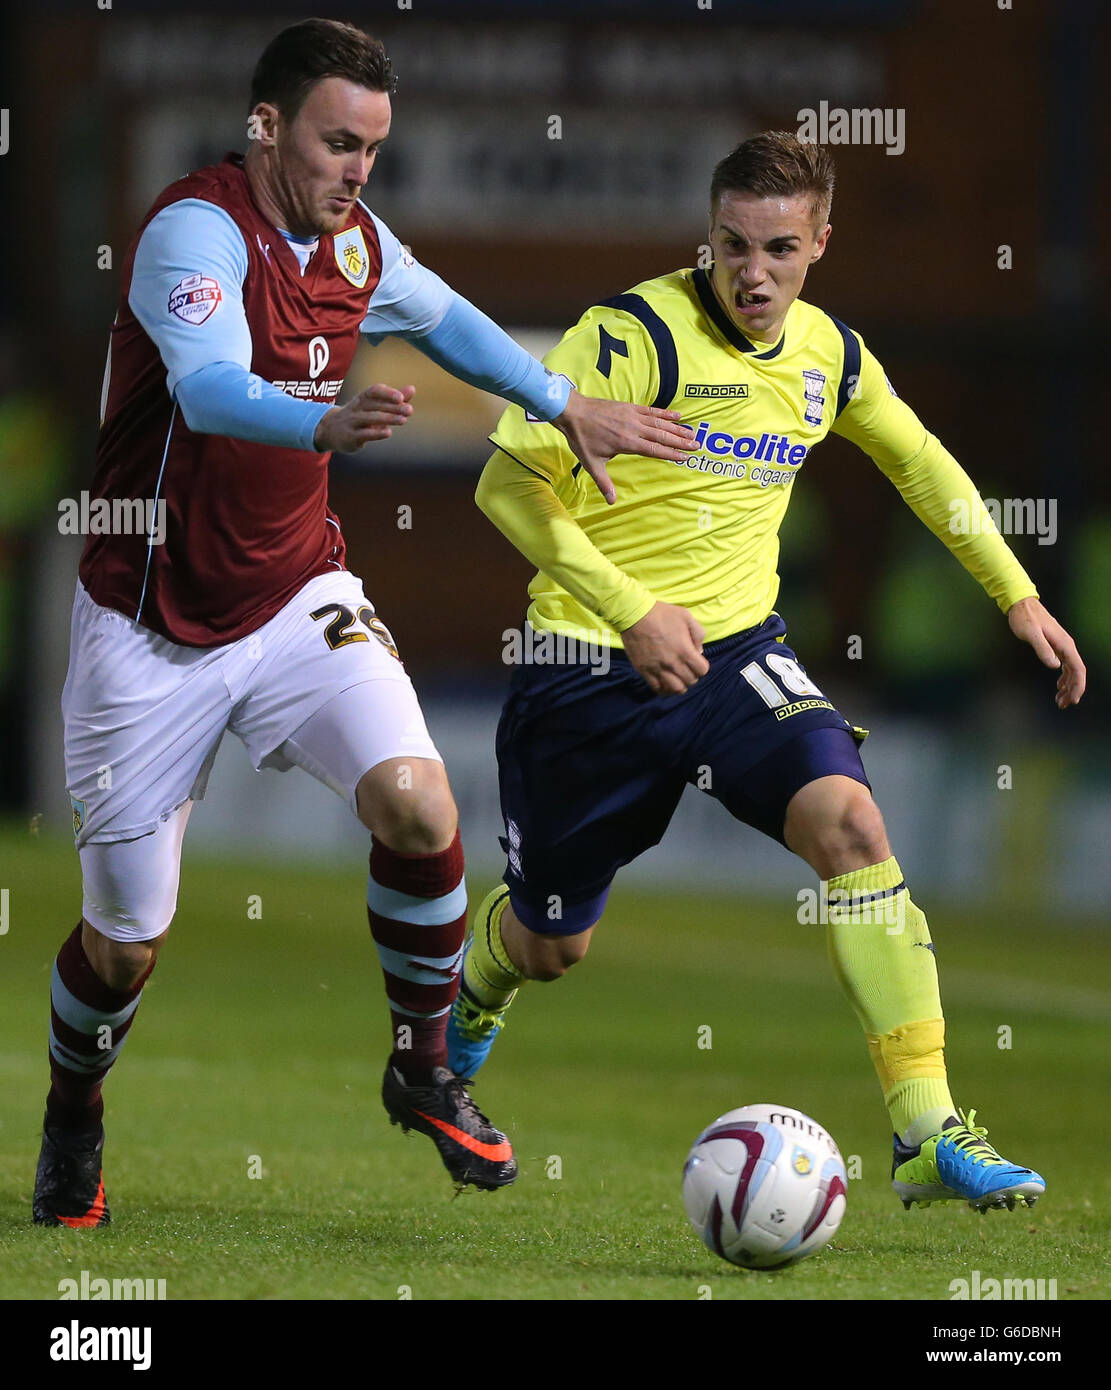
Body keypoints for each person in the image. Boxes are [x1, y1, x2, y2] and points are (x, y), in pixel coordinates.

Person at [34, 18, 696, 1227]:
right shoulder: (194, 229)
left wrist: (563, 403)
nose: (356, 170)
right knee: (125, 945)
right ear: (267, 125)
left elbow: (446, 320)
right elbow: (208, 386)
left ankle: (424, 1064)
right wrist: (321, 424)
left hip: (297, 596)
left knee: (419, 801)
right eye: (339, 142)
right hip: (150, 625)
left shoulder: (358, 246)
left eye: (374, 151)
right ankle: (74, 1107)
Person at [447, 131, 1087, 1213]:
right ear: (707, 234)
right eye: (733, 245)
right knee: (552, 941)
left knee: (851, 826)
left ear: (820, 242)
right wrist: (630, 608)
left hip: (736, 655)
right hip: (587, 664)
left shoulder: (828, 356)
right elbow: (504, 489)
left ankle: (925, 1130)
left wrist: (1013, 593)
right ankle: (461, 1012)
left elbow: (919, 461)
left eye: (780, 249)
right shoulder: (629, 334)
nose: (753, 273)